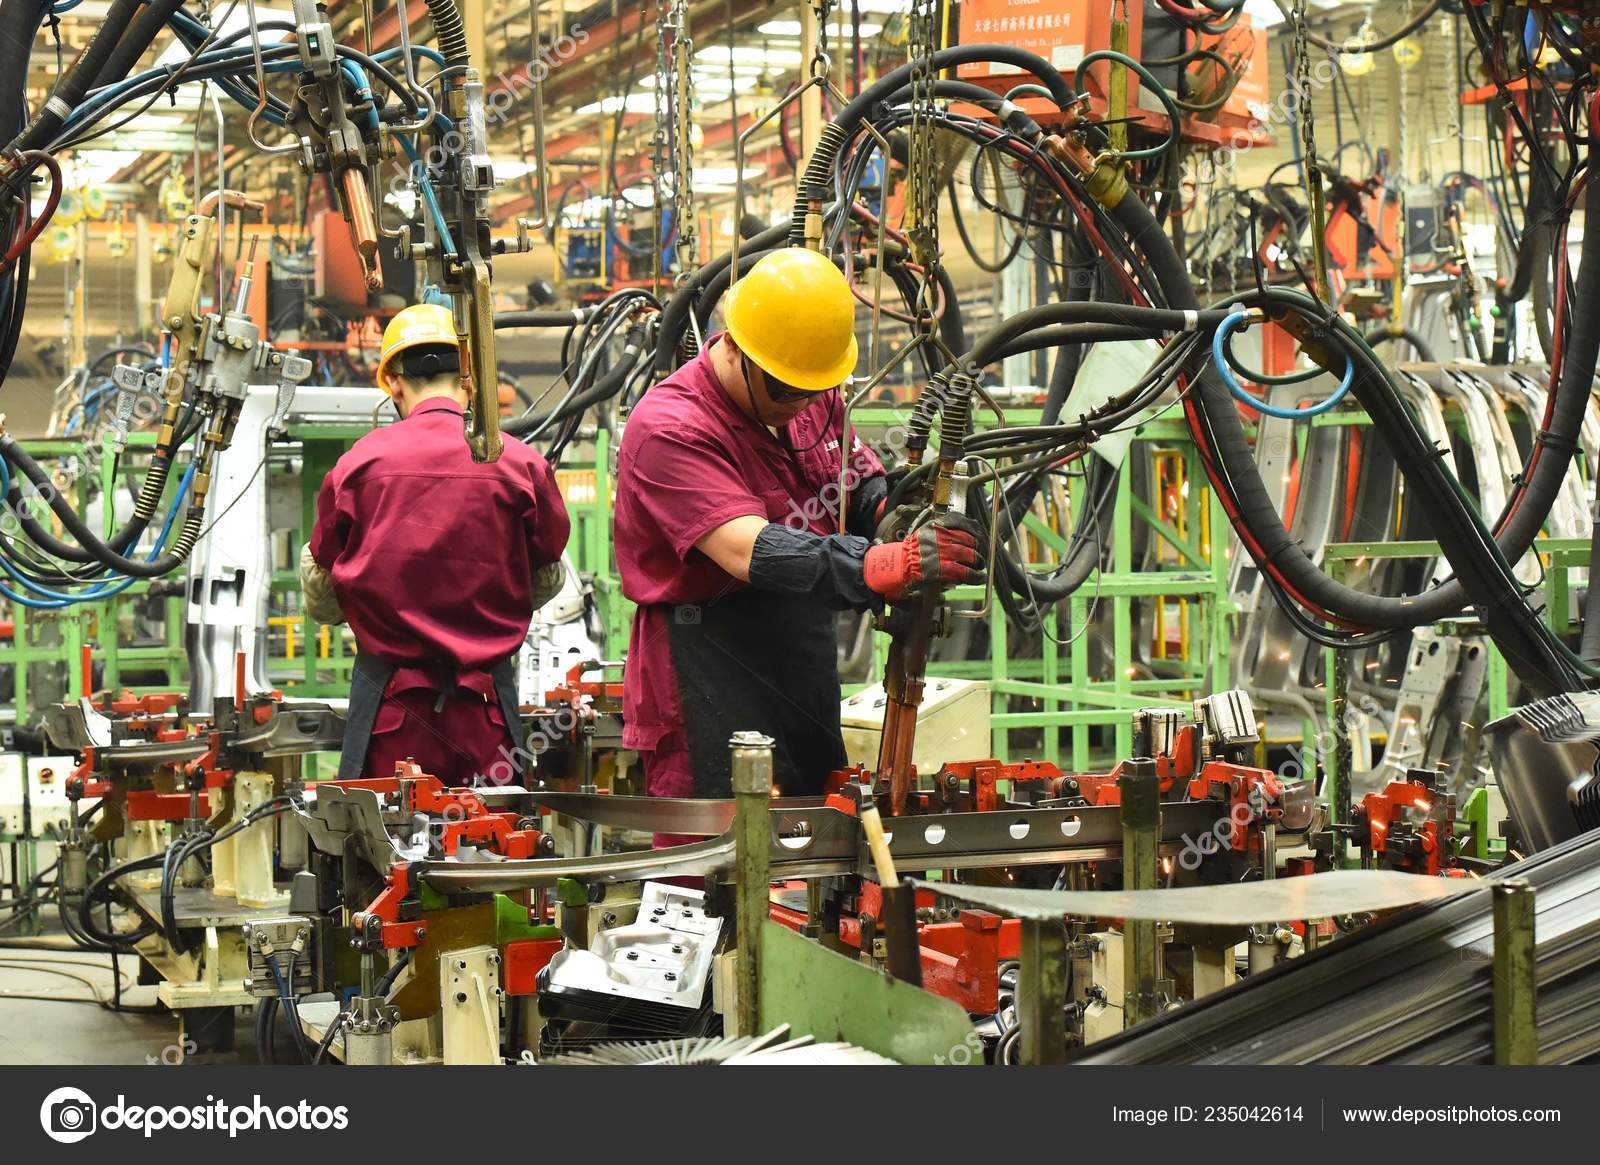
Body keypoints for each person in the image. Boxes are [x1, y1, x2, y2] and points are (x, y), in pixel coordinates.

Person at [614, 248, 986, 809]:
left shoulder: (807, 391)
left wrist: (900, 511)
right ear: (736, 350)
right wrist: (884, 564)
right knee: (716, 863)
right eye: (788, 390)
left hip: (802, 660)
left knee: (814, 847)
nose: (803, 404)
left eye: (816, 390)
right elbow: (748, 549)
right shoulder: (670, 427)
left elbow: (859, 485)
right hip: (706, 671)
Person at [301, 303, 571, 785]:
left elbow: (322, 598)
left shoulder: (356, 467)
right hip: (486, 716)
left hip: (392, 719)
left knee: (390, 851)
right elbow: (547, 578)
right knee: (496, 845)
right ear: (469, 380)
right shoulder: (522, 465)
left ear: (394, 384)